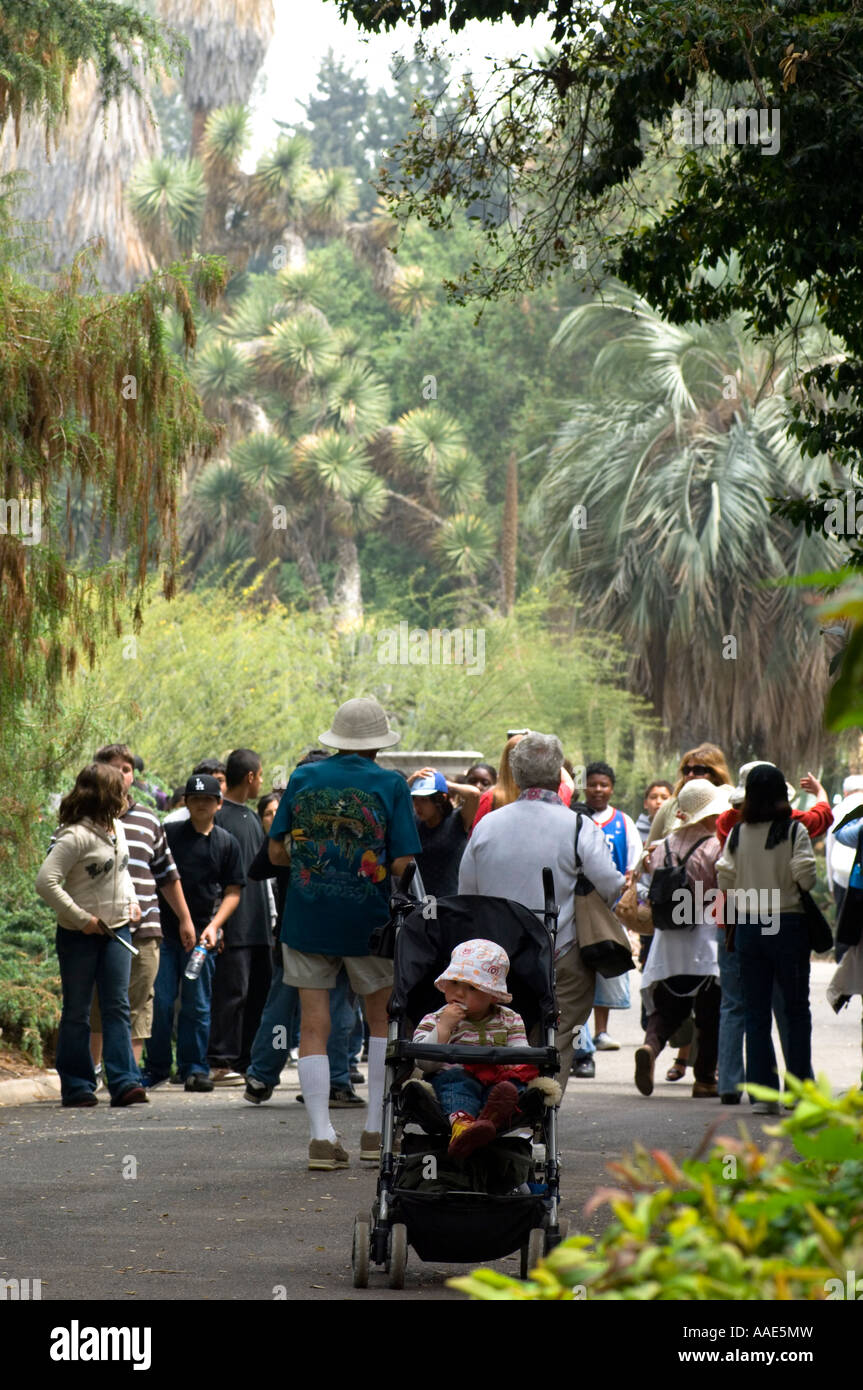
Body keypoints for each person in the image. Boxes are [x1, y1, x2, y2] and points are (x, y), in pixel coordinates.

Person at [268, 697, 421, 1171]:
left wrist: (316, 864)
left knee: (313, 1025)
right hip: (369, 924)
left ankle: (320, 1138)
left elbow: (275, 852)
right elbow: (402, 862)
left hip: (307, 918)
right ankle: (374, 1132)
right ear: (378, 744)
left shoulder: (303, 778)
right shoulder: (390, 784)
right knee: (380, 1022)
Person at [458, 732, 624, 1096]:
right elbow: (612, 886)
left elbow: (467, 896)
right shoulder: (579, 826)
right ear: (560, 774)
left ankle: (493, 1101)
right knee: (557, 1036)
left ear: (515, 776)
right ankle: (538, 1110)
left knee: (498, 1027)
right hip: (560, 952)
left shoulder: (487, 825)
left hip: (496, 958)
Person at [245, 773, 366, 1109]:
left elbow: (258, 868)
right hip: (332, 930)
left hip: (298, 930)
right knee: (336, 1005)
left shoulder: (294, 828)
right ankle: (336, 1082)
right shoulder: (349, 826)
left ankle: (261, 1077)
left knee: (284, 1006)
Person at [713, 760, 830, 1103]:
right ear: (782, 795)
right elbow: (806, 878)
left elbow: (725, 880)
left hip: (750, 926)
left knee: (755, 1012)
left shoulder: (737, 833)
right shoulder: (794, 831)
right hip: (788, 925)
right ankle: (797, 1092)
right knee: (795, 1010)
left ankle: (763, 1096)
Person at [35, 763, 145, 1108]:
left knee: (117, 1006)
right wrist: (81, 918)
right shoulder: (73, 836)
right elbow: (45, 882)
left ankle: (125, 1082)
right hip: (79, 935)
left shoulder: (117, 829)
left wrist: (133, 904)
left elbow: (123, 872)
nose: (126, 795)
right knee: (77, 1011)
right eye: (120, 790)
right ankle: (77, 1085)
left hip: (117, 931)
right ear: (104, 795)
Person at [90, 744, 195, 1071]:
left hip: (145, 928)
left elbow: (167, 874)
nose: (123, 774)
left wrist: (185, 919)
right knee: (97, 1006)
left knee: (138, 1006)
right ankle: (93, 1072)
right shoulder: (83, 819)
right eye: (115, 767)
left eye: (127, 768)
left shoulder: (149, 820)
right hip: (97, 928)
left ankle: (129, 1077)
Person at [145, 774, 244, 1091]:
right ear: (185, 802)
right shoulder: (170, 834)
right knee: (160, 1002)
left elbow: (233, 892)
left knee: (197, 1005)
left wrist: (215, 927)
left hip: (203, 939)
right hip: (165, 933)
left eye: (207, 799)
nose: (201, 803)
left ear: (218, 803)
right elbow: (156, 879)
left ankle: (194, 1067)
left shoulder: (227, 842)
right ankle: (157, 1067)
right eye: (194, 798)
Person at [634, 779, 729, 1098]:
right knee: (710, 1011)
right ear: (711, 814)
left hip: (667, 939)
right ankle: (704, 1078)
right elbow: (722, 890)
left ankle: (650, 1046)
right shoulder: (716, 846)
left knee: (668, 1008)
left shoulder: (662, 846)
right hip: (704, 938)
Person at [410, 940, 537, 1157]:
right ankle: (463, 1127)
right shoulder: (435, 1019)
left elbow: (520, 1053)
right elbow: (425, 1063)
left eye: (471, 987)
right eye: (455, 983)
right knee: (456, 1079)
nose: (459, 993)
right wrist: (444, 1028)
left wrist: (516, 1068)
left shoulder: (510, 1019)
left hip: (496, 1082)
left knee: (512, 1084)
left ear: (492, 994)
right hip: (456, 1079)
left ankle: (490, 1118)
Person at [208, 749, 273, 1085]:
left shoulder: (250, 817)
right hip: (234, 924)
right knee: (232, 994)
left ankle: (246, 1059)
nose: (261, 781)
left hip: (260, 925)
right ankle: (221, 1059)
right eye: (260, 775)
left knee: (258, 994)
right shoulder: (220, 817)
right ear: (250, 777)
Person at [578, 761, 642, 1055]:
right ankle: (583, 1035)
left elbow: (634, 863)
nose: (598, 790)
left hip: (611, 908)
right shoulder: (575, 818)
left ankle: (602, 1031)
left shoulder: (623, 822)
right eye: (593, 784)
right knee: (579, 970)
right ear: (584, 786)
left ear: (612, 788)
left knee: (606, 965)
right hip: (579, 905)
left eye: (604, 785)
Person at [470, 733, 574, 834]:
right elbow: (568, 783)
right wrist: (546, 754)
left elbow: (476, 837)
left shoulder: (490, 799)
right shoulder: (556, 797)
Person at [406, 766, 481, 898]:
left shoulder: (457, 821)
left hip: (451, 899)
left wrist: (444, 784)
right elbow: (394, 799)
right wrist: (411, 780)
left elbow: (474, 794)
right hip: (420, 898)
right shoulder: (414, 822)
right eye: (415, 799)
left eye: (424, 800)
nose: (418, 806)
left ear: (439, 799)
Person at [647, 745, 734, 847]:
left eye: (698, 770)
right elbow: (646, 850)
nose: (690, 774)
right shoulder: (669, 806)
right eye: (686, 770)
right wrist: (648, 857)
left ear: (715, 775)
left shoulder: (727, 805)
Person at [825, 774, 863, 916]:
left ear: (845, 792)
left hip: (842, 879)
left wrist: (831, 884)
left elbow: (831, 845)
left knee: (846, 929)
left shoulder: (838, 810)